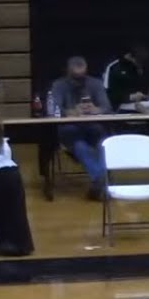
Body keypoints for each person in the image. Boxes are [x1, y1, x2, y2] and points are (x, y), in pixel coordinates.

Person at [49, 56, 113, 199]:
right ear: (67, 73)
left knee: (103, 141)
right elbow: (53, 110)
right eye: (75, 78)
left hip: (93, 127)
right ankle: (100, 179)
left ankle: (99, 182)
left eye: (81, 78)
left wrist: (96, 109)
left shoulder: (95, 84)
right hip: (70, 129)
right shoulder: (58, 85)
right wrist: (71, 112)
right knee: (78, 142)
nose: (78, 82)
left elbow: (107, 107)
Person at [103, 44, 149, 112]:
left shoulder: (143, 67)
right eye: (138, 62)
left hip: (144, 103)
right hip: (120, 107)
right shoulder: (114, 68)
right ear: (129, 56)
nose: (139, 65)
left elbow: (148, 88)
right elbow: (109, 95)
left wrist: (147, 96)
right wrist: (130, 97)